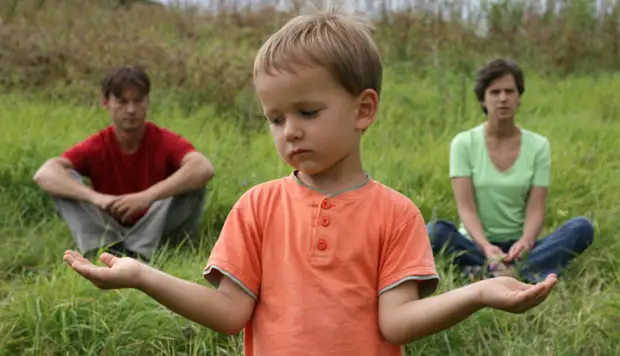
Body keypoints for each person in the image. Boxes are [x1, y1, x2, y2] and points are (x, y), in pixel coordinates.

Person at [62, 10, 558, 356]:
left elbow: (396, 323)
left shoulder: (395, 213)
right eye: (275, 118)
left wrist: (479, 295)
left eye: (307, 111)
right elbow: (230, 313)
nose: (290, 130)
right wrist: (142, 276)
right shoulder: (258, 206)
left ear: (363, 109)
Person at [427, 58, 594, 283]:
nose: (503, 98)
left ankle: (494, 273)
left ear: (519, 99)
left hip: (519, 247)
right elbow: (466, 209)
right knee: (434, 231)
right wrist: (486, 247)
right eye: (495, 92)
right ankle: (521, 273)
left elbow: (536, 209)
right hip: (477, 244)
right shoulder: (463, 143)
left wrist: (525, 242)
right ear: (483, 100)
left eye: (509, 91)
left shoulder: (538, 146)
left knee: (582, 227)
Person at [34, 66, 214, 262]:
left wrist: (147, 197)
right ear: (106, 103)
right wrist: (97, 198)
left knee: (192, 180)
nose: (131, 110)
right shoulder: (98, 144)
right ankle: (104, 247)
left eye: (138, 101)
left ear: (148, 102)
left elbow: (203, 167)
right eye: (122, 102)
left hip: (155, 228)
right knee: (64, 178)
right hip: (109, 225)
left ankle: (143, 252)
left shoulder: (163, 140)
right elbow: (44, 174)